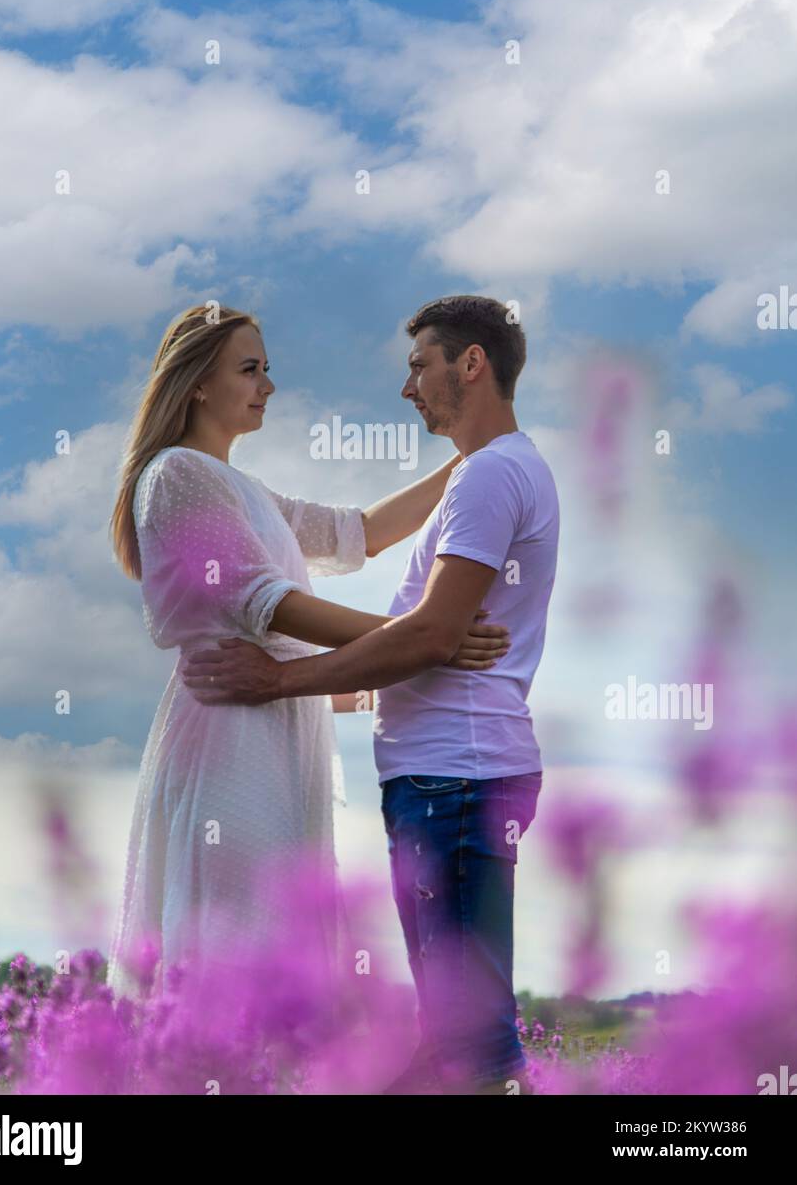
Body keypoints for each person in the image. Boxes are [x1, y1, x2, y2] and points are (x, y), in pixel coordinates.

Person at [184, 295, 559, 1095]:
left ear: (472, 363)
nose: (406, 387)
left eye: (419, 365)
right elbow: (423, 648)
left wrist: (277, 678)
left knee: (472, 1047)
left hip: (454, 779)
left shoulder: (494, 477)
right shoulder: (490, 470)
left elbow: (427, 638)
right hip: (445, 775)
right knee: (447, 1042)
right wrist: (297, 701)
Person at [106, 302, 509, 1003]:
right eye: (250, 368)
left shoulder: (241, 489)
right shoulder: (177, 475)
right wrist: (422, 637)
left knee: (276, 952)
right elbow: (269, 604)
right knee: (236, 948)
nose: (269, 383)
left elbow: (362, 531)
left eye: (267, 368)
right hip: (231, 741)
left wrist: (482, 451)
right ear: (198, 381)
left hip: (276, 726)